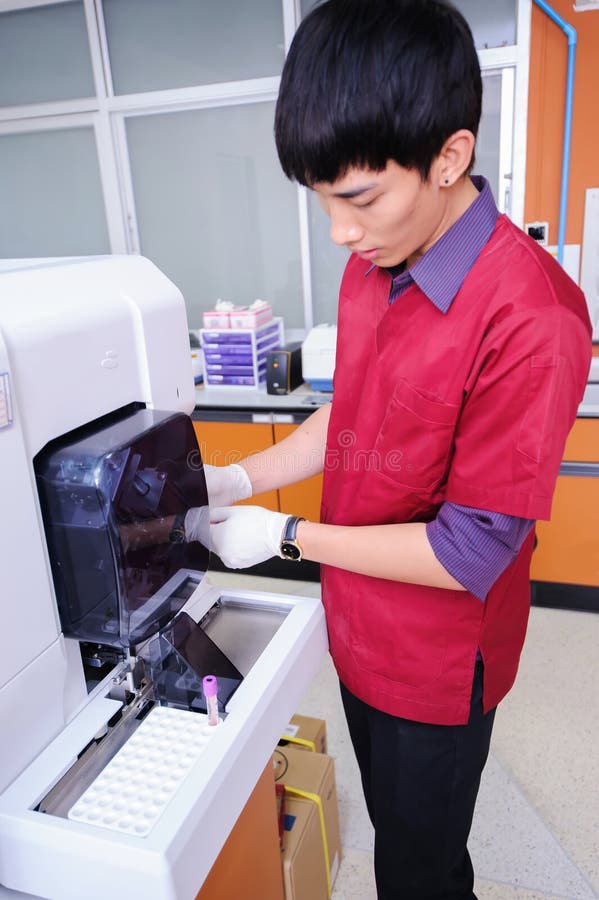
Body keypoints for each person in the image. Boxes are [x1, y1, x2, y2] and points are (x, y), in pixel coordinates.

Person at [196, 2, 593, 897]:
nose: (339, 230)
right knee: (394, 838)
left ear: (448, 157)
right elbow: (350, 420)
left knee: (420, 872)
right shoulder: (373, 265)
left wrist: (284, 538)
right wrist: (237, 477)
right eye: (321, 197)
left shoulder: (529, 317)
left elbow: (469, 551)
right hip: (358, 624)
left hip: (435, 662)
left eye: (359, 197)